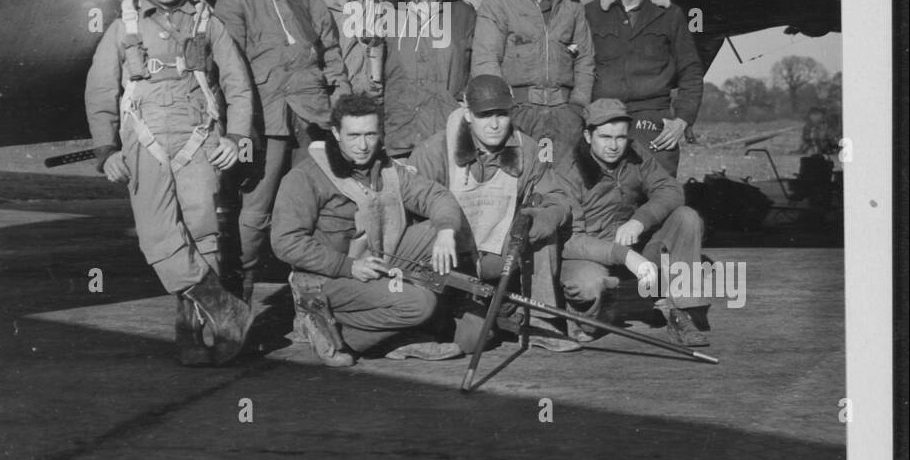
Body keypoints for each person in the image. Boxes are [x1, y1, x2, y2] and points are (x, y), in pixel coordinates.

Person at [84, 0, 255, 366]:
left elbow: (237, 82)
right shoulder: (124, 27)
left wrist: (235, 137)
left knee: (202, 234)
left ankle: (193, 330)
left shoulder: (204, 20)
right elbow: (100, 91)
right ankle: (224, 306)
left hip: (199, 140)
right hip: (143, 142)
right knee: (157, 237)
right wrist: (106, 150)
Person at [270, 94, 465, 367]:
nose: (362, 146)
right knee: (420, 304)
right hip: (328, 280)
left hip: (376, 265)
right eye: (353, 135)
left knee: (440, 230)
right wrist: (348, 266)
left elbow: (437, 196)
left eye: (371, 135)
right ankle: (323, 324)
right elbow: (285, 242)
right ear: (336, 133)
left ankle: (378, 330)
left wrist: (446, 232)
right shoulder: (306, 177)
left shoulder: (385, 168)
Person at [214, 0, 350, 300]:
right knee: (255, 212)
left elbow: (334, 63)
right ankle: (237, 293)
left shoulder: (312, 1)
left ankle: (316, 298)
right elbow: (227, 66)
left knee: (318, 208)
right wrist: (238, 126)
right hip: (265, 121)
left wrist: (338, 117)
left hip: (313, 120)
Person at [407, 75, 578, 353]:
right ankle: (472, 312)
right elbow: (410, 207)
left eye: (502, 113)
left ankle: (543, 324)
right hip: (452, 264)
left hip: (503, 258)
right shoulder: (434, 150)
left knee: (545, 232)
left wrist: (542, 217)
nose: (495, 124)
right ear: (467, 113)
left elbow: (556, 197)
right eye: (485, 115)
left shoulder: (528, 148)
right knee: (472, 341)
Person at [559, 99, 709, 348]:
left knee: (686, 217)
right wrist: (624, 256)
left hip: (629, 241)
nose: (614, 146)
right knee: (587, 291)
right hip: (590, 251)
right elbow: (570, 240)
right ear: (588, 135)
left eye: (620, 137)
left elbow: (670, 190)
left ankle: (680, 311)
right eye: (605, 137)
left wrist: (640, 221)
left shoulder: (635, 152)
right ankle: (594, 309)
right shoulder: (568, 171)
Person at [471, 0, 594, 172]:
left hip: (565, 115)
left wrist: (578, 107)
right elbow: (486, 62)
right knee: (520, 178)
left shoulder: (570, 5)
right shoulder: (498, 4)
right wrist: (504, 111)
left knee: (566, 182)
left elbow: (585, 60)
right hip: (519, 113)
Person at [584, 0, 704, 177]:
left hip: (652, 120)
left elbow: (691, 70)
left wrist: (682, 120)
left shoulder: (669, 15)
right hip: (604, 117)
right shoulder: (591, 14)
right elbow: (577, 69)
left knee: (660, 193)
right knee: (602, 197)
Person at [380, 0, 476, 157]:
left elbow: (477, 69)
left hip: (447, 135)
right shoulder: (385, 12)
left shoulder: (463, 13)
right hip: (399, 135)